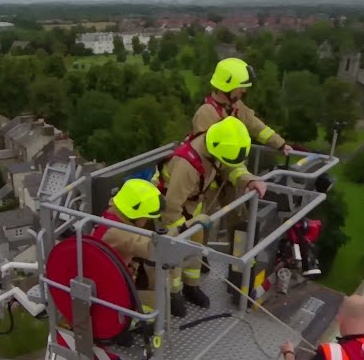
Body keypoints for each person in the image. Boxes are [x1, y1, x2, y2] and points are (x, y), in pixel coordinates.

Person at [155, 116, 268, 314]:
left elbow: (231, 166)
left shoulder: (216, 147)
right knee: (175, 253)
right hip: (169, 209)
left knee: (196, 247)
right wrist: (184, 230)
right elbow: (171, 207)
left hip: (191, 208)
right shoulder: (187, 165)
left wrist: (248, 180)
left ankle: (191, 285)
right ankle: (173, 294)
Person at [93, 178, 165, 342]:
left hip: (106, 286)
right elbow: (154, 250)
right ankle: (123, 327)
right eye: (145, 217)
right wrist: (185, 228)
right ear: (134, 213)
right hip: (111, 296)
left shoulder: (112, 214)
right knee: (157, 301)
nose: (146, 222)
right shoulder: (120, 233)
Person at [193, 57, 294, 157]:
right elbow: (202, 152)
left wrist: (280, 144)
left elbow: (257, 127)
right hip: (218, 168)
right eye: (241, 86)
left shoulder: (236, 106)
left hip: (232, 163)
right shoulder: (205, 114)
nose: (244, 90)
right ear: (228, 86)